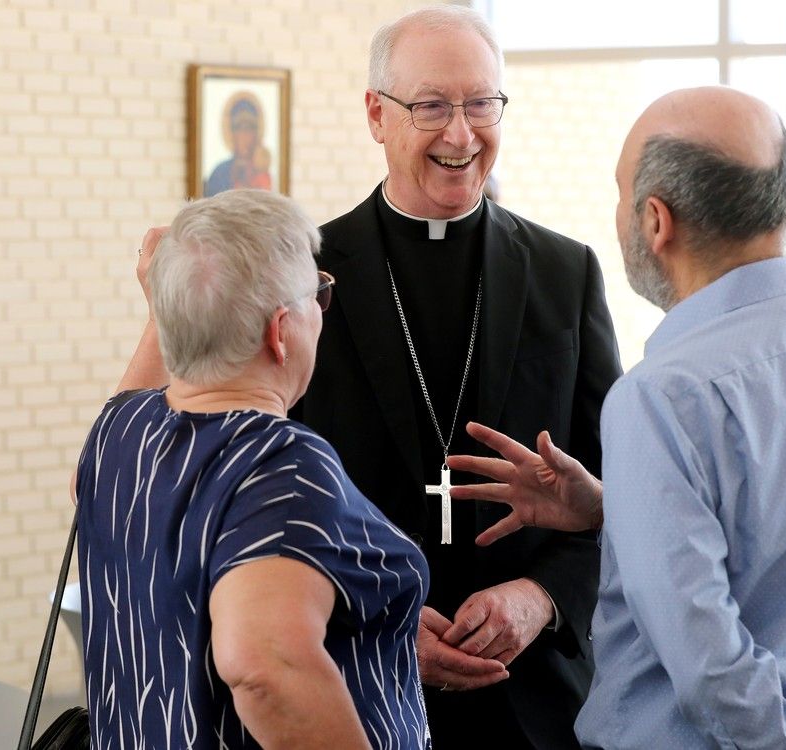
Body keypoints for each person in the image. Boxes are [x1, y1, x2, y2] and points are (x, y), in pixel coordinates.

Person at [448, 86, 786, 749]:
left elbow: (711, 669)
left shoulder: (664, 394)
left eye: (620, 198)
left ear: (655, 220)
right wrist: (617, 509)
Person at [291, 6, 622, 748]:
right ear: (377, 115)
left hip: (536, 703)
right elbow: (272, 514)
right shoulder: (306, 278)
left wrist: (541, 597)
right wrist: (376, 628)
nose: (462, 134)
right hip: (356, 696)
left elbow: (614, 496)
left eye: (481, 103)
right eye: (431, 106)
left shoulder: (565, 274)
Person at [73, 189, 430, 749]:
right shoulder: (279, 461)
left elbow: (86, 480)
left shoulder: (119, 430)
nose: (322, 311)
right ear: (279, 332)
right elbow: (265, 670)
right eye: (320, 294)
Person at [204, 94, 272, 196]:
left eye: (250, 128)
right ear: (231, 133)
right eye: (239, 128)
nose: (244, 136)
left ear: (256, 134)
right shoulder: (220, 173)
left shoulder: (261, 171)